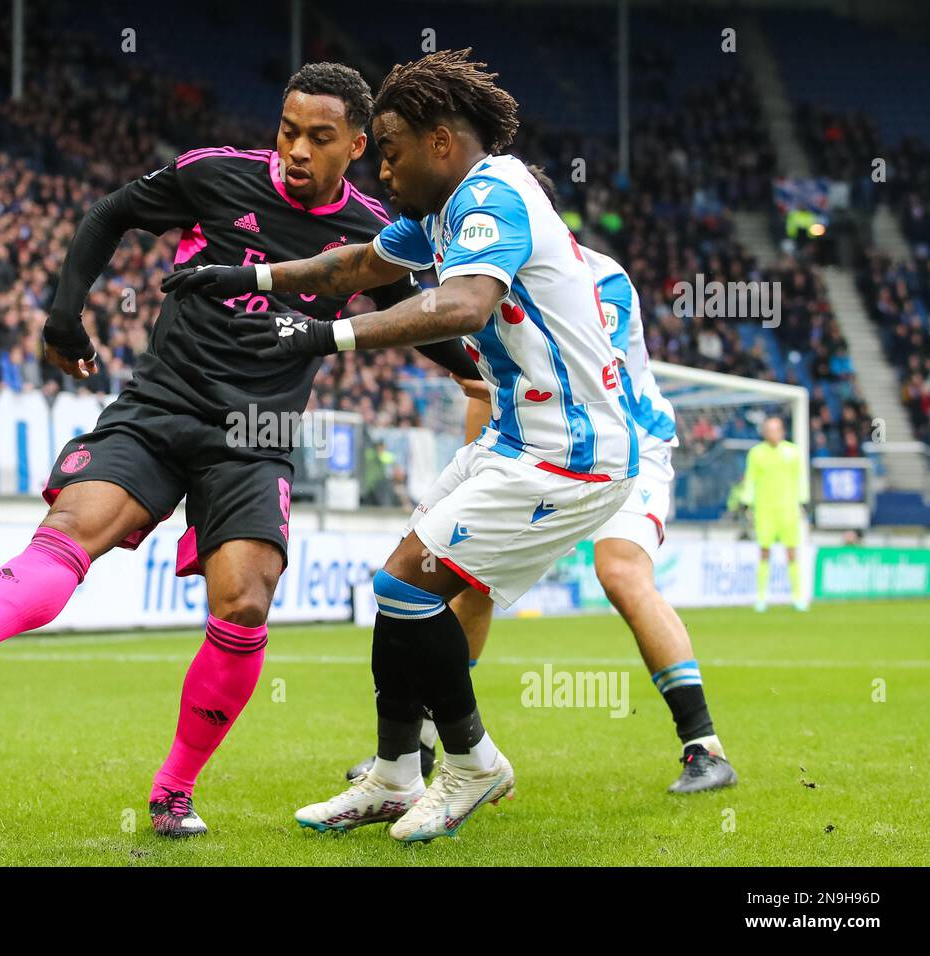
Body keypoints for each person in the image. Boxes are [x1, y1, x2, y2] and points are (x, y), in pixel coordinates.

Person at [0, 62, 477, 839]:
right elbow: (107, 213)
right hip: (162, 405)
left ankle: (173, 791)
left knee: (245, 601)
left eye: (318, 138)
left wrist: (480, 373)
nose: (295, 149)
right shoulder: (214, 174)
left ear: (357, 145)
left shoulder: (369, 232)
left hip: (254, 441)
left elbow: (416, 317)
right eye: (287, 129)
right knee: (73, 524)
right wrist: (64, 315)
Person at [173, 50, 638, 841]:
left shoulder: (491, 195)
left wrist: (328, 337)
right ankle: (394, 774)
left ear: (441, 143)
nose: (380, 169)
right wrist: (249, 281)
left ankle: (474, 762)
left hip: (572, 453)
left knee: (406, 586)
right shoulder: (441, 210)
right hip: (517, 439)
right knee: (396, 588)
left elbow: (460, 305)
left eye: (388, 149)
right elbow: (353, 263)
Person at [345, 167, 737, 794]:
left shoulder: (598, 277)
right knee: (463, 582)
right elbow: (488, 384)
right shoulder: (480, 272)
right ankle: (420, 748)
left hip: (623, 443)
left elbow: (570, 379)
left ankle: (704, 745)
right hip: (539, 447)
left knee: (620, 572)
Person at [743, 416, 808, 611]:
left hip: (788, 509)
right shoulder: (756, 453)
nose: (772, 433)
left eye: (775, 429)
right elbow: (750, 478)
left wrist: (804, 500)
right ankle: (761, 597)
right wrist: (747, 502)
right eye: (768, 429)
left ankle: (797, 597)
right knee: (764, 552)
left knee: (791, 552)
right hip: (765, 510)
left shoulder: (793, 452)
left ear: (782, 431)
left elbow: (800, 478)